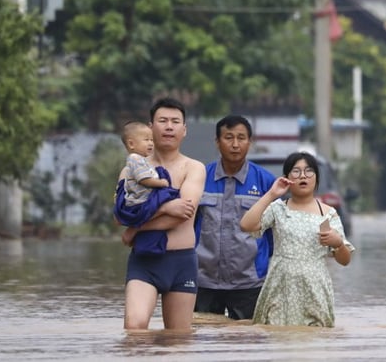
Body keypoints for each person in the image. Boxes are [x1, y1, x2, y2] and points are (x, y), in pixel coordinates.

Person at [239, 151, 354, 327]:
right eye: (296, 171)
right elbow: (246, 225)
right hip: (280, 288)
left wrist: (338, 243)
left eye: (309, 171)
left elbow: (345, 261)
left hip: (314, 290)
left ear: (316, 178)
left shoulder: (328, 213)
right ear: (287, 178)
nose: (303, 176)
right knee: (278, 338)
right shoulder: (278, 209)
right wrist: (271, 194)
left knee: (314, 345)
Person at [120, 96, 206, 331]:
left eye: (175, 121)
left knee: (178, 339)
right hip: (144, 262)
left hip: (182, 262)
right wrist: (167, 206)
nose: (169, 127)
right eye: (163, 121)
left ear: (184, 129)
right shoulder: (132, 169)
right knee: (135, 328)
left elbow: (184, 213)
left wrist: (137, 228)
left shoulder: (193, 167)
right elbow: (122, 214)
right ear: (150, 127)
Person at [193, 114, 277, 320]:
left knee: (248, 341)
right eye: (228, 137)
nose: (235, 144)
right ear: (217, 142)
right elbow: (187, 225)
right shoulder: (199, 177)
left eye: (241, 138)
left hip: (250, 281)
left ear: (250, 142)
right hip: (203, 279)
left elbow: (276, 233)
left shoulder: (266, 182)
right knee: (201, 340)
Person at [114, 121, 178, 256]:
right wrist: (161, 183)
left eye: (151, 140)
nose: (150, 143)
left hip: (143, 199)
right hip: (140, 202)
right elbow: (144, 180)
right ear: (131, 144)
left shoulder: (142, 160)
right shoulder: (135, 159)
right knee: (170, 195)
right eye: (146, 140)